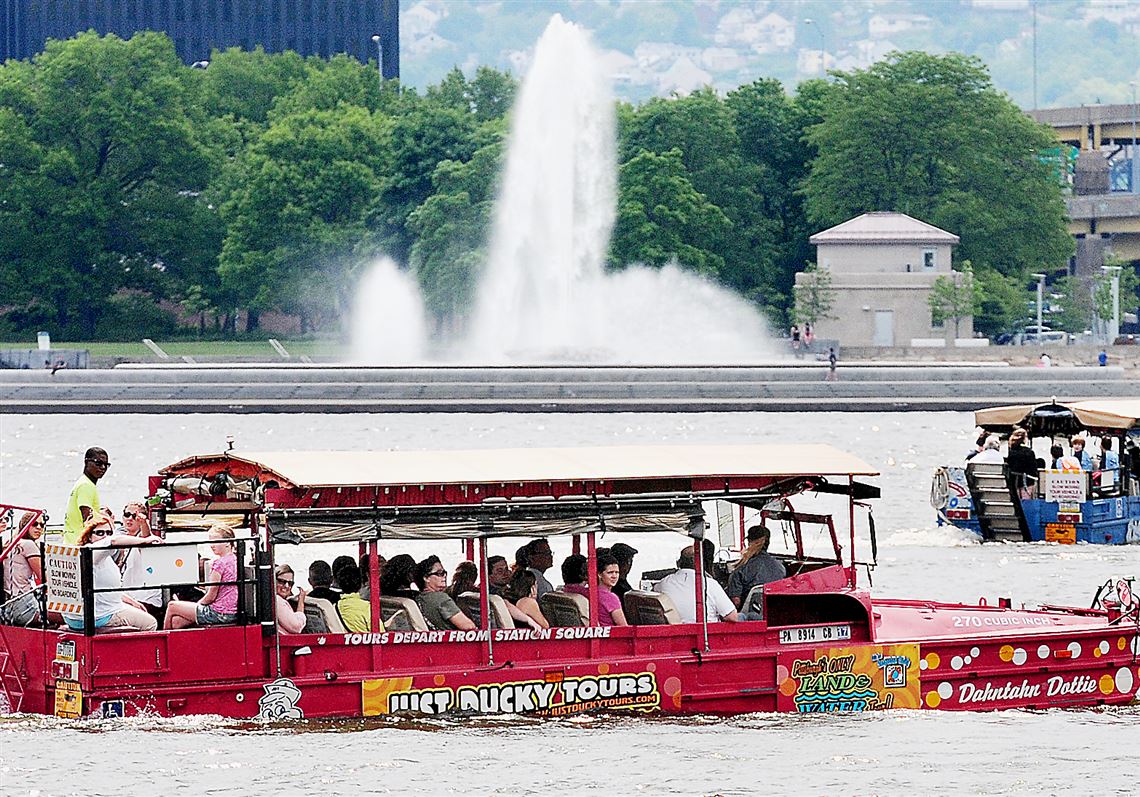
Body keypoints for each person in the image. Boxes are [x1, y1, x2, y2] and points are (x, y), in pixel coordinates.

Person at [62, 516, 158, 632]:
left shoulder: (100, 556)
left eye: (109, 532)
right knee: (150, 623)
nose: (105, 536)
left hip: (92, 612)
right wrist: (144, 541)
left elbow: (107, 589)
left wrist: (132, 601)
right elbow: (112, 541)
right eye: (100, 533)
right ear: (89, 536)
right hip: (99, 616)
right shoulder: (92, 552)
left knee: (137, 609)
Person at [163, 525, 239, 630]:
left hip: (219, 612)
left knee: (172, 606)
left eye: (216, 541)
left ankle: (163, 640)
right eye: (211, 541)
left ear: (227, 542)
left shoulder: (219, 563)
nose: (212, 545)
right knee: (176, 621)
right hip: (231, 611)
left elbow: (211, 596)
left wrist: (197, 606)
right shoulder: (235, 559)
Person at [655, 546, 738, 624]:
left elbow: (654, 590)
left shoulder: (664, 583)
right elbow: (732, 617)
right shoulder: (709, 584)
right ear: (701, 564)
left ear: (679, 563)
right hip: (707, 635)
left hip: (674, 634)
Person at [118, 501, 164, 624]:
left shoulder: (144, 539)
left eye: (135, 516)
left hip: (145, 599)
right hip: (126, 597)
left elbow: (145, 541)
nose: (130, 519)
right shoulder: (119, 539)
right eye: (127, 514)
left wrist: (144, 523)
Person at [727, 525, 787, 615]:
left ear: (749, 542)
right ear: (768, 543)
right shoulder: (781, 567)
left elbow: (736, 602)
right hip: (775, 614)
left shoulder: (741, 569)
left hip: (751, 617)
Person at [1, 512, 45, 626]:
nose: (39, 528)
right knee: (68, 616)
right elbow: (45, 578)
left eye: (42, 525)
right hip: (24, 605)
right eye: (35, 524)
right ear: (26, 525)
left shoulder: (10, 543)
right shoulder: (28, 545)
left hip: (8, 606)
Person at [413, 557, 475, 631]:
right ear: (426, 578)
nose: (444, 576)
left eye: (444, 573)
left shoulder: (418, 598)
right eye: (439, 573)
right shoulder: (441, 598)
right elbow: (468, 626)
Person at [63, 447, 110, 543]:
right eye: (98, 463)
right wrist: (107, 520)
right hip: (80, 545)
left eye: (106, 465)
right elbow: (88, 518)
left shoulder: (83, 482)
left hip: (71, 541)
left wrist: (101, 513)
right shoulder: (86, 485)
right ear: (86, 462)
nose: (103, 468)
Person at [334, 564, 373, 633]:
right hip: (366, 643)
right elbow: (381, 632)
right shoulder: (366, 607)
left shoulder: (335, 606)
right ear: (361, 584)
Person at [272, 564, 307, 634]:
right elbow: (297, 627)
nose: (286, 586)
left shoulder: (274, 599)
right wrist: (301, 602)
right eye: (281, 581)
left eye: (290, 583)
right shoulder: (278, 601)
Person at [1005, 427, 1039, 500]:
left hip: (1014, 483)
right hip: (1027, 482)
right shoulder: (1029, 452)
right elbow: (1033, 469)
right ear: (1024, 439)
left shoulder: (1011, 452)